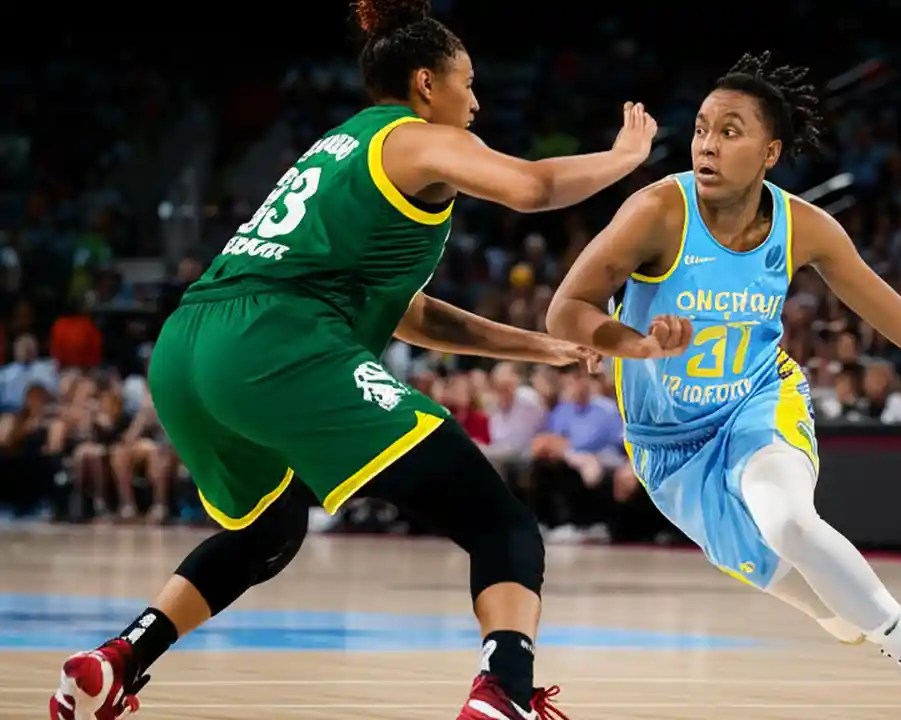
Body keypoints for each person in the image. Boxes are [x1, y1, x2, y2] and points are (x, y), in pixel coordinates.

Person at [48, 1, 657, 718]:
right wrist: (624, 159)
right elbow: (530, 187)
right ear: (426, 84)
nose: (477, 102)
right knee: (500, 524)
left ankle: (118, 661)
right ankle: (504, 693)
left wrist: (534, 345)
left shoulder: (342, 146)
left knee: (269, 529)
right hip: (272, 342)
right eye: (467, 84)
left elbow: (406, 312)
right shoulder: (414, 138)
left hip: (189, 347)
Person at [546, 51, 901, 720]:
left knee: (790, 520)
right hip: (669, 450)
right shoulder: (657, 213)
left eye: (731, 131)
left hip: (757, 404)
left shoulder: (805, 227)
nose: (708, 144)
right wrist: (636, 343)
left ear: (770, 152)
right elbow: (566, 309)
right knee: (842, 617)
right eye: (703, 128)